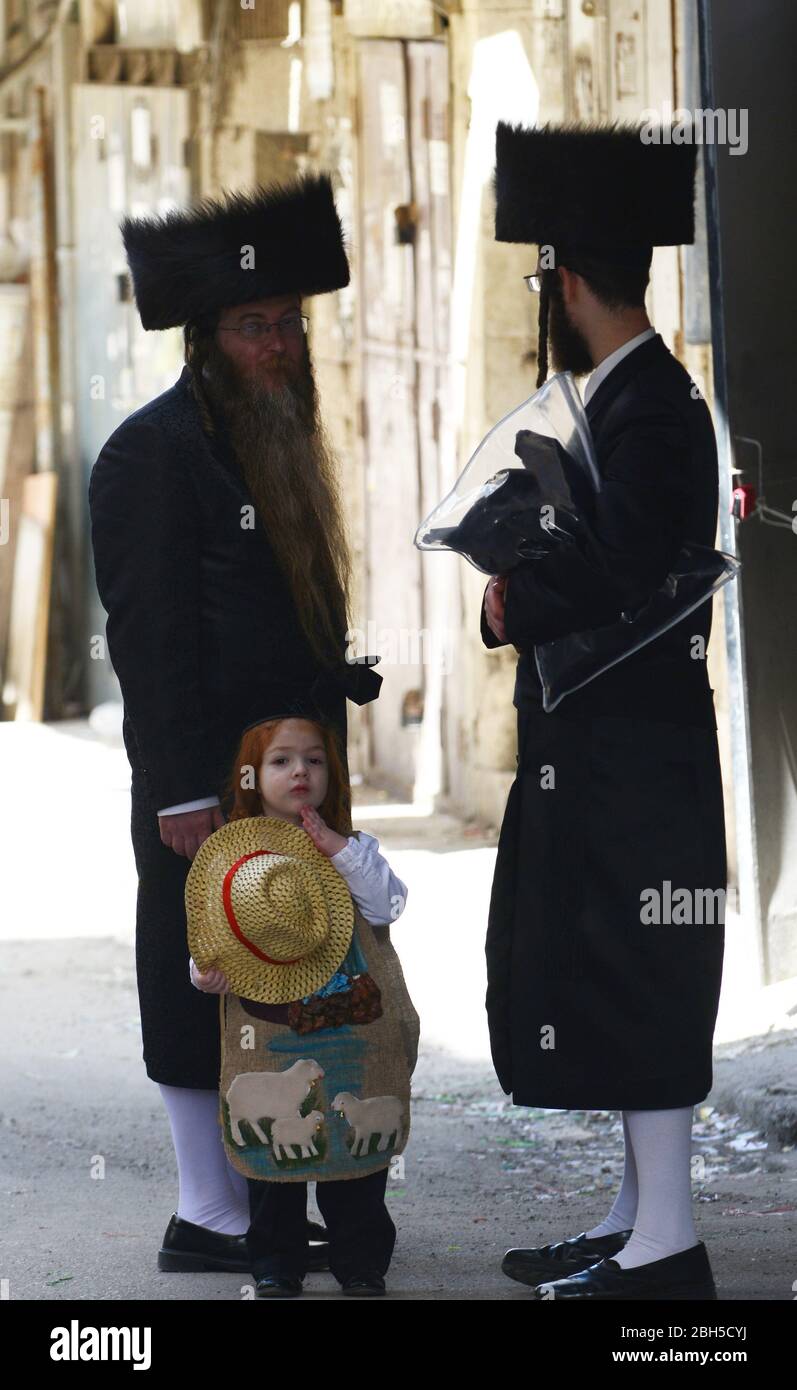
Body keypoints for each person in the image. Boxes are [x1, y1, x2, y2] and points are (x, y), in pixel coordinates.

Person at [88, 174, 381, 1274]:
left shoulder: (279, 434)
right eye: (257, 325)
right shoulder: (149, 451)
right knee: (192, 965)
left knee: (289, 971)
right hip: (202, 772)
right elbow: (148, 635)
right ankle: (205, 1210)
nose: (281, 344)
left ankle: (258, 1192)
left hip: (290, 770)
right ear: (206, 337)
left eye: (291, 323)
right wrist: (176, 784)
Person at [481, 121, 727, 1300]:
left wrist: (506, 596)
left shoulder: (650, 406)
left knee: (640, 974)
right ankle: (639, 1217)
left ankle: (666, 1248)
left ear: (565, 284)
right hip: (619, 743)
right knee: (616, 967)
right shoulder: (635, 396)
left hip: (638, 747)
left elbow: (621, 565)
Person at [188, 703, 419, 1298]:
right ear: (251, 778)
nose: (300, 773)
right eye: (281, 761)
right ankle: (275, 1262)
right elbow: (210, 937)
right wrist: (204, 973)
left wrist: (337, 848)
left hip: (354, 1027)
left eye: (314, 761)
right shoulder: (236, 864)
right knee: (272, 1148)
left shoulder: (354, 849)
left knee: (353, 1150)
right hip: (265, 1031)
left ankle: (361, 1260)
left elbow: (387, 906)